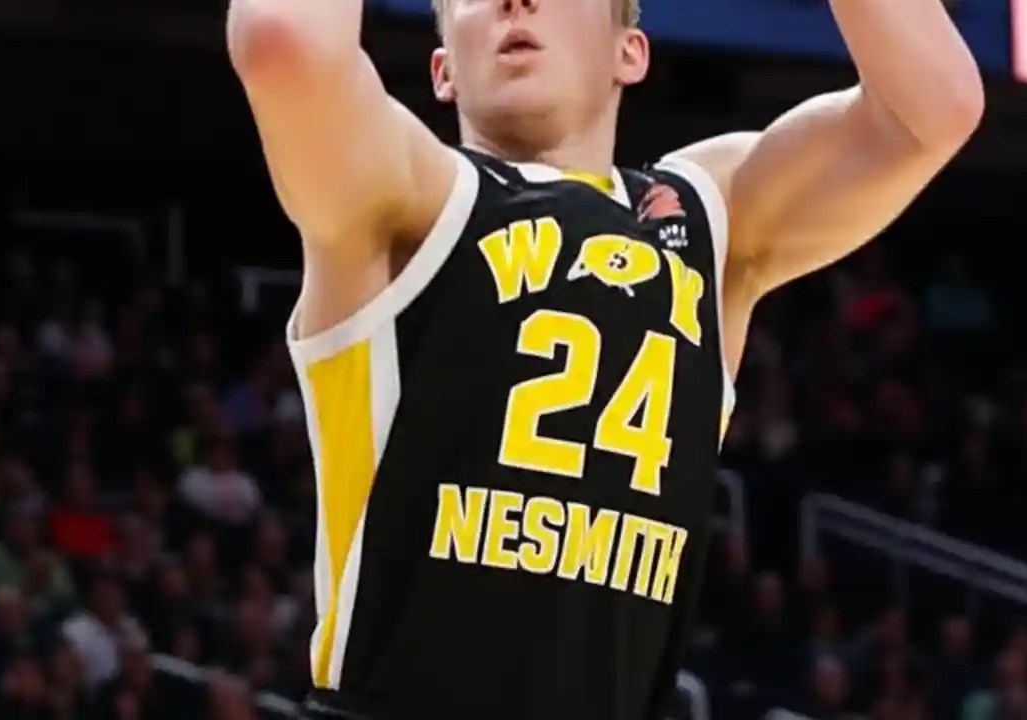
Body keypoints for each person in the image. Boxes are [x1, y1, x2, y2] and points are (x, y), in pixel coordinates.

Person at [226, 0, 983, 715]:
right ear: (442, 69)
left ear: (631, 51)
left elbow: (930, 110)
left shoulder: (708, 219)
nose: (515, 1)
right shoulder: (404, 198)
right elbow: (286, 41)